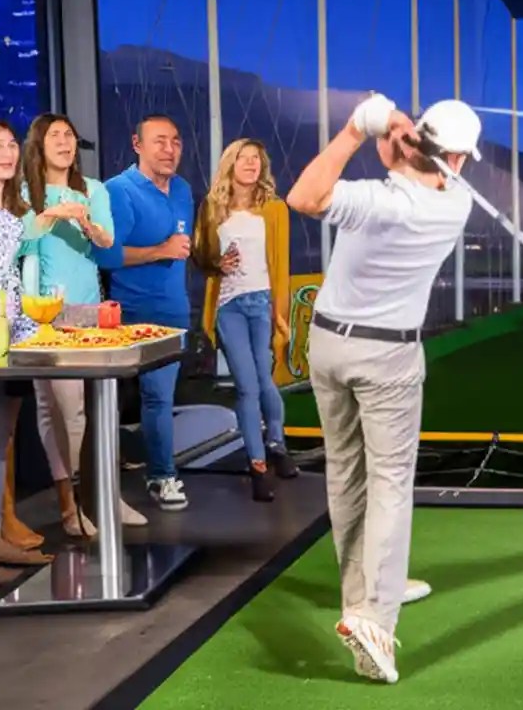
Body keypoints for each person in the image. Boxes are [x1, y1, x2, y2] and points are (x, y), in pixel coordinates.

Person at [286, 94, 481, 683]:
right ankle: (377, 617)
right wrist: (402, 133)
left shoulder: (376, 200)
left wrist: (357, 127)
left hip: (329, 345)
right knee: (391, 483)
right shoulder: (458, 204)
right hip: (388, 354)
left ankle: (362, 595)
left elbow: (305, 196)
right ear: (457, 159)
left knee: (347, 473)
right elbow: (403, 164)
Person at [19, 112, 149, 536]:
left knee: (100, 409)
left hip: (91, 312)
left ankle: (105, 497)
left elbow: (107, 240)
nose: (65, 142)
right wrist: (55, 211)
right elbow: (21, 239)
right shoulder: (24, 192)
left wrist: (88, 223)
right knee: (61, 411)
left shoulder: (92, 190)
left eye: (70, 136)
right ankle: (73, 502)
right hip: (44, 313)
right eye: (55, 135)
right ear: (38, 144)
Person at [193, 138, 298, 503]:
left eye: (257, 159)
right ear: (231, 165)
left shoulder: (275, 209)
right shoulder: (212, 206)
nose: (252, 164)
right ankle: (257, 467)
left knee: (266, 382)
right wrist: (216, 264)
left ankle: (277, 446)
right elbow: (201, 256)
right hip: (230, 305)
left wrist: (278, 312)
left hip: (263, 302)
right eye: (244, 158)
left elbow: (281, 265)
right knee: (247, 386)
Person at [100, 114, 194, 511]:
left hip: (174, 311)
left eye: (175, 141)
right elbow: (107, 254)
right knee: (119, 401)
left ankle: (160, 475)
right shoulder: (118, 191)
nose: (169, 149)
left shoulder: (184, 189)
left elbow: (184, 246)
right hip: (132, 314)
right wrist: (162, 250)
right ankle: (114, 484)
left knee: (159, 398)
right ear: (137, 145)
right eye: (159, 141)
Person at [0, 116, 52, 587]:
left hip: (9, 339)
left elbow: (7, 283)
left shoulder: (10, 217)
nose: (8, 153)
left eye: (11, 145)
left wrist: (32, 330)